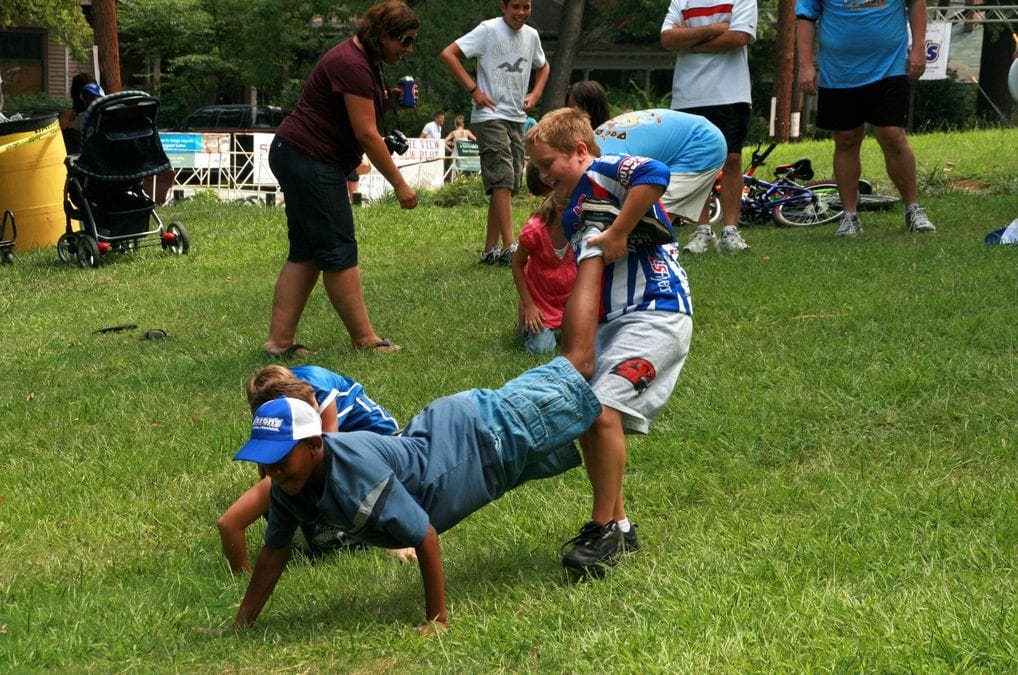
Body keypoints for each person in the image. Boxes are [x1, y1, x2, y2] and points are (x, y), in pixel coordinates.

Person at [230, 353, 602, 632]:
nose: (271, 471)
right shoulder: (287, 487)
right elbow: (274, 552)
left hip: (485, 432)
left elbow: (423, 534)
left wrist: (437, 620)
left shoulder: (353, 473)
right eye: (263, 461)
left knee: (586, 386)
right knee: (588, 419)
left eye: (279, 458)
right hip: (483, 461)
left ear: (314, 445)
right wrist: (241, 624)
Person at [527, 107, 693, 573]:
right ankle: (618, 526)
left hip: (654, 312)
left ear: (580, 151)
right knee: (588, 416)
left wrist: (618, 232)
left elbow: (655, 172)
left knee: (601, 412)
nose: (543, 177)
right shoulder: (576, 202)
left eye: (547, 165)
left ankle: (602, 531)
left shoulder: (602, 169)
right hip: (614, 321)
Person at [263, 1, 420, 358]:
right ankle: (365, 339)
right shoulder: (352, 64)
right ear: (383, 35)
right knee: (338, 250)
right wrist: (400, 184)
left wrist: (391, 99)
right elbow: (367, 134)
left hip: (297, 153)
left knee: (306, 252)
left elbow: (355, 110)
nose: (408, 50)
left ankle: (278, 343)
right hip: (309, 159)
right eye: (405, 41)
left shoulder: (364, 59)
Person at [217, 364, 415, 574]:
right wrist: (242, 577)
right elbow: (229, 523)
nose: (317, 414)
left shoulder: (315, 396)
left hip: (382, 446)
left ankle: (385, 540)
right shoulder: (284, 447)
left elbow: (332, 449)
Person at [796, 0, 936, 236]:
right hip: (839, 71)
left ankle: (913, 209)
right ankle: (849, 216)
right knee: (846, 139)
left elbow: (916, 3)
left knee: (892, 135)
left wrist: (918, 49)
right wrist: (806, 65)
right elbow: (806, 17)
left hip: (889, 66)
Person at [439, 0, 550, 266]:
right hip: (490, 116)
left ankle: (491, 250)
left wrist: (535, 93)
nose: (521, 13)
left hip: (516, 116)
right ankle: (511, 245)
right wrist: (473, 89)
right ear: (503, 6)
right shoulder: (488, 30)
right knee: (501, 178)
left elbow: (543, 66)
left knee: (509, 181)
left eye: (526, 7)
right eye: (515, 7)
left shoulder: (531, 35)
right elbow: (448, 54)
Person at [660, 0, 757, 253]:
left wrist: (689, 42)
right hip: (688, 96)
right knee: (696, 164)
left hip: (731, 94)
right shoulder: (682, 0)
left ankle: (730, 231)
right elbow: (668, 38)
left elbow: (738, 37)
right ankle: (703, 230)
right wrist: (716, 27)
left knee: (732, 160)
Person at [565, 81, 726, 228]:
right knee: (637, 214)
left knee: (651, 216)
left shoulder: (605, 157)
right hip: (695, 133)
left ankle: (654, 255)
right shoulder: (597, 142)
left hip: (702, 142)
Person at [511, 164, 575, 355]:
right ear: (558, 207)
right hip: (541, 302)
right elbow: (517, 265)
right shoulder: (535, 231)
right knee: (542, 349)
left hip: (570, 301)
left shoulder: (580, 228)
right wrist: (529, 305)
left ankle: (563, 324)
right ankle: (526, 325)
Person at [59, 73, 104, 154]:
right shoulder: (107, 112)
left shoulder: (73, 118)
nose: (90, 101)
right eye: (87, 97)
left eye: (92, 97)